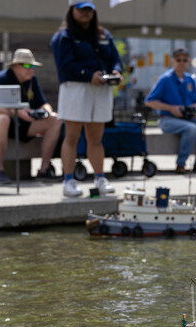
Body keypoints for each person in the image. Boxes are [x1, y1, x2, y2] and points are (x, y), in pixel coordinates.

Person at [51, 0, 123, 197]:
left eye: (89, 10)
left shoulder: (103, 34)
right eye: (81, 10)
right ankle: (69, 180)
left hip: (101, 89)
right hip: (76, 89)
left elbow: (115, 57)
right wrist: (88, 75)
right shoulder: (63, 36)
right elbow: (65, 66)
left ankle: (100, 177)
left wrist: (116, 71)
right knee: (72, 136)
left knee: (96, 138)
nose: (85, 14)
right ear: (72, 10)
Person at [0, 48, 60, 184]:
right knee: (2, 119)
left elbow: (43, 103)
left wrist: (46, 111)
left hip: (21, 124)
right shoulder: (2, 79)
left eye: (33, 66)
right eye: (27, 65)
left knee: (55, 119)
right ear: (15, 66)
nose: (31, 69)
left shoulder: (32, 80)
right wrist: (15, 112)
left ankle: (45, 170)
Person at [145, 48, 196, 174]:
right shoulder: (165, 79)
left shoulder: (189, 79)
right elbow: (149, 101)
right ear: (173, 61)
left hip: (187, 117)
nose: (181, 63)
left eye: (185, 60)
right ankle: (181, 164)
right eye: (178, 60)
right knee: (192, 129)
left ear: (189, 62)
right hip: (167, 119)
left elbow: (193, 101)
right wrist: (171, 108)